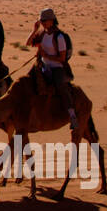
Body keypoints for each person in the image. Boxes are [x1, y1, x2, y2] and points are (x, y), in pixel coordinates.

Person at [26, 7, 76, 135]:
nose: (43, 23)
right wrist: (34, 30)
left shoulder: (59, 37)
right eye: (41, 20)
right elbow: (28, 43)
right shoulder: (42, 34)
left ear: (52, 20)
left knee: (61, 87)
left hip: (56, 67)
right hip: (43, 66)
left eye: (45, 20)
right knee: (26, 82)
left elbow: (62, 58)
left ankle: (72, 115)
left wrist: (46, 55)